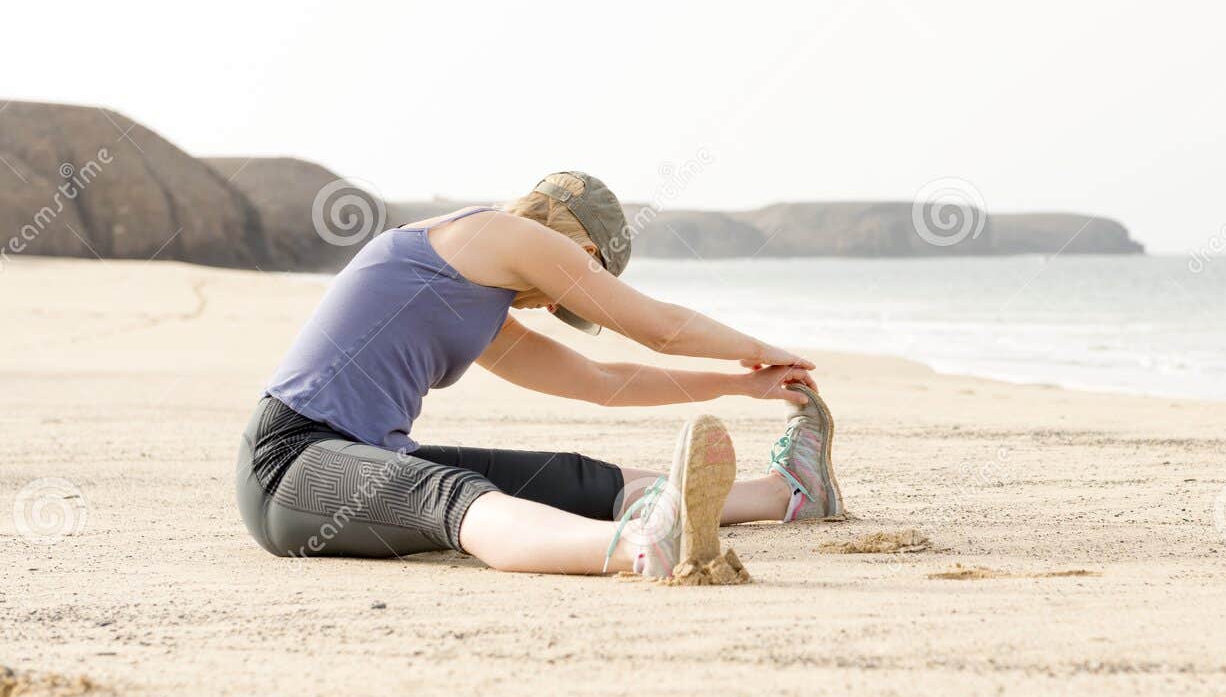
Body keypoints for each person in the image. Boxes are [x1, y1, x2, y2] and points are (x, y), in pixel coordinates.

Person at [235, 171, 844, 582]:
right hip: (290, 463)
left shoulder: (472, 297)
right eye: (578, 285)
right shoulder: (498, 234)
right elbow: (658, 327)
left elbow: (603, 382)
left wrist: (740, 385)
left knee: (571, 478)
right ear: (574, 250)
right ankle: (642, 548)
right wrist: (761, 350)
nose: (557, 306)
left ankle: (787, 495)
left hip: (358, 457)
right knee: (451, 496)